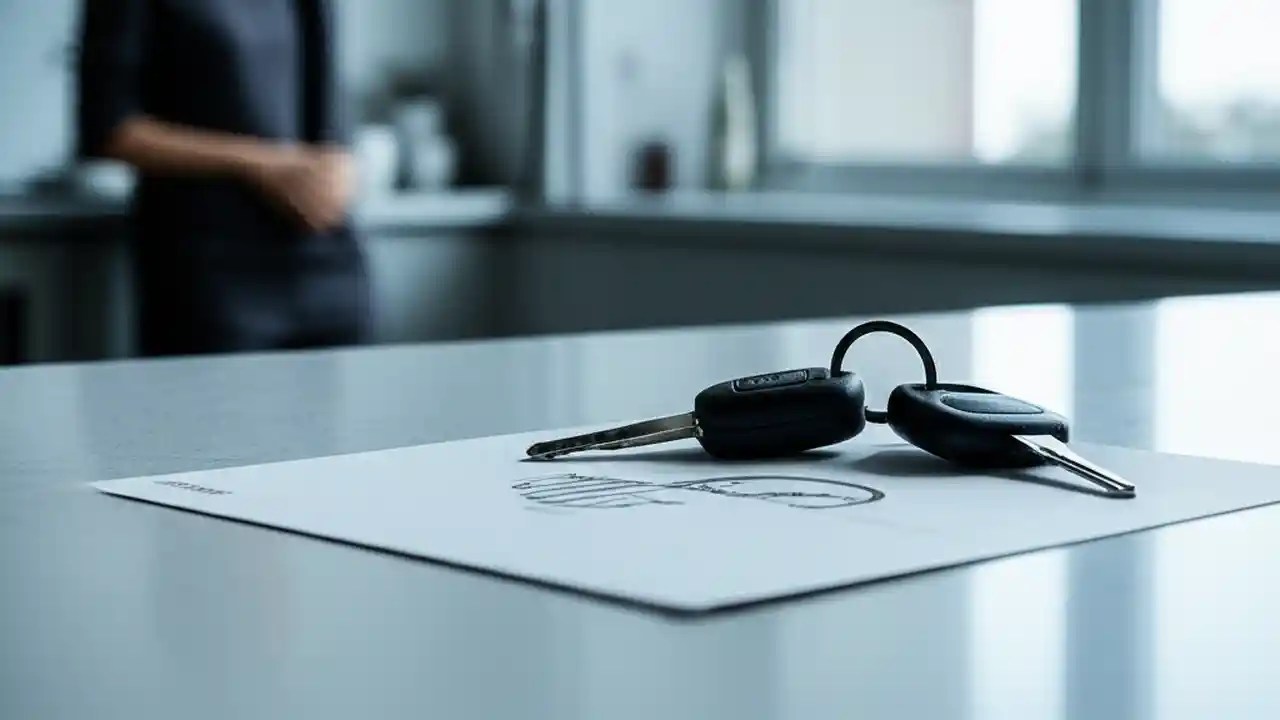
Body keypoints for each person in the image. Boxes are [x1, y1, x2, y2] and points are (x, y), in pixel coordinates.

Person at [76, 0, 370, 356]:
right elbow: (109, 129)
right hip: (210, 272)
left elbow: (328, 113)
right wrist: (264, 165)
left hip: (327, 264)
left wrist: (338, 168)